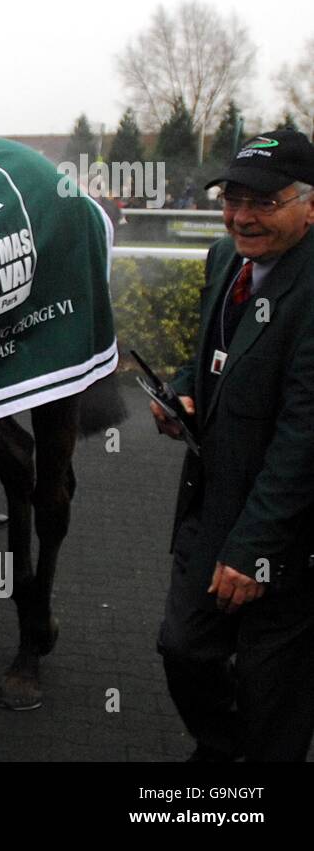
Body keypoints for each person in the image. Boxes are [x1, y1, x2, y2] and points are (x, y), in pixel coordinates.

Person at [151, 129, 314, 762]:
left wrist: (254, 551)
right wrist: (186, 393)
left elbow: (304, 438)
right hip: (210, 507)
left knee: (275, 696)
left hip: (286, 535)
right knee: (183, 649)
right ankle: (222, 748)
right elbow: (214, 352)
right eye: (233, 197)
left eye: (266, 202)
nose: (242, 215)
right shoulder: (227, 258)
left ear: (310, 203)